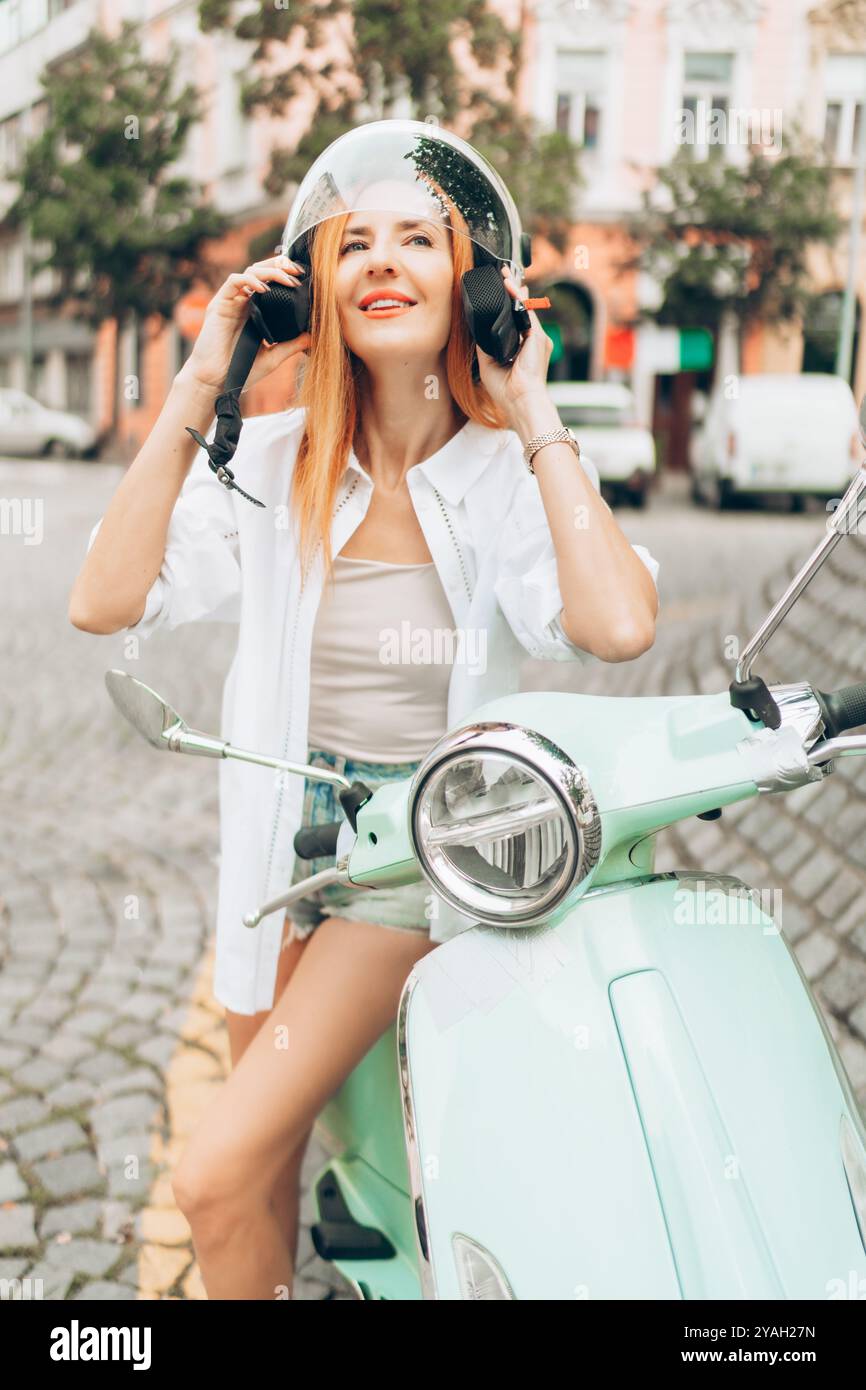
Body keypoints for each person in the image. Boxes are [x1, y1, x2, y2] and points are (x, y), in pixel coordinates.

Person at [69, 121, 659, 1299]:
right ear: (315, 292)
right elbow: (102, 598)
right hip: (276, 872)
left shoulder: (502, 476)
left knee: (216, 1169)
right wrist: (203, 375)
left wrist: (533, 406)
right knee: (276, 1178)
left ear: (473, 288)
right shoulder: (275, 460)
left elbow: (617, 624)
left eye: (417, 241)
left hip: (411, 869)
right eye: (354, 247)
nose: (383, 263)